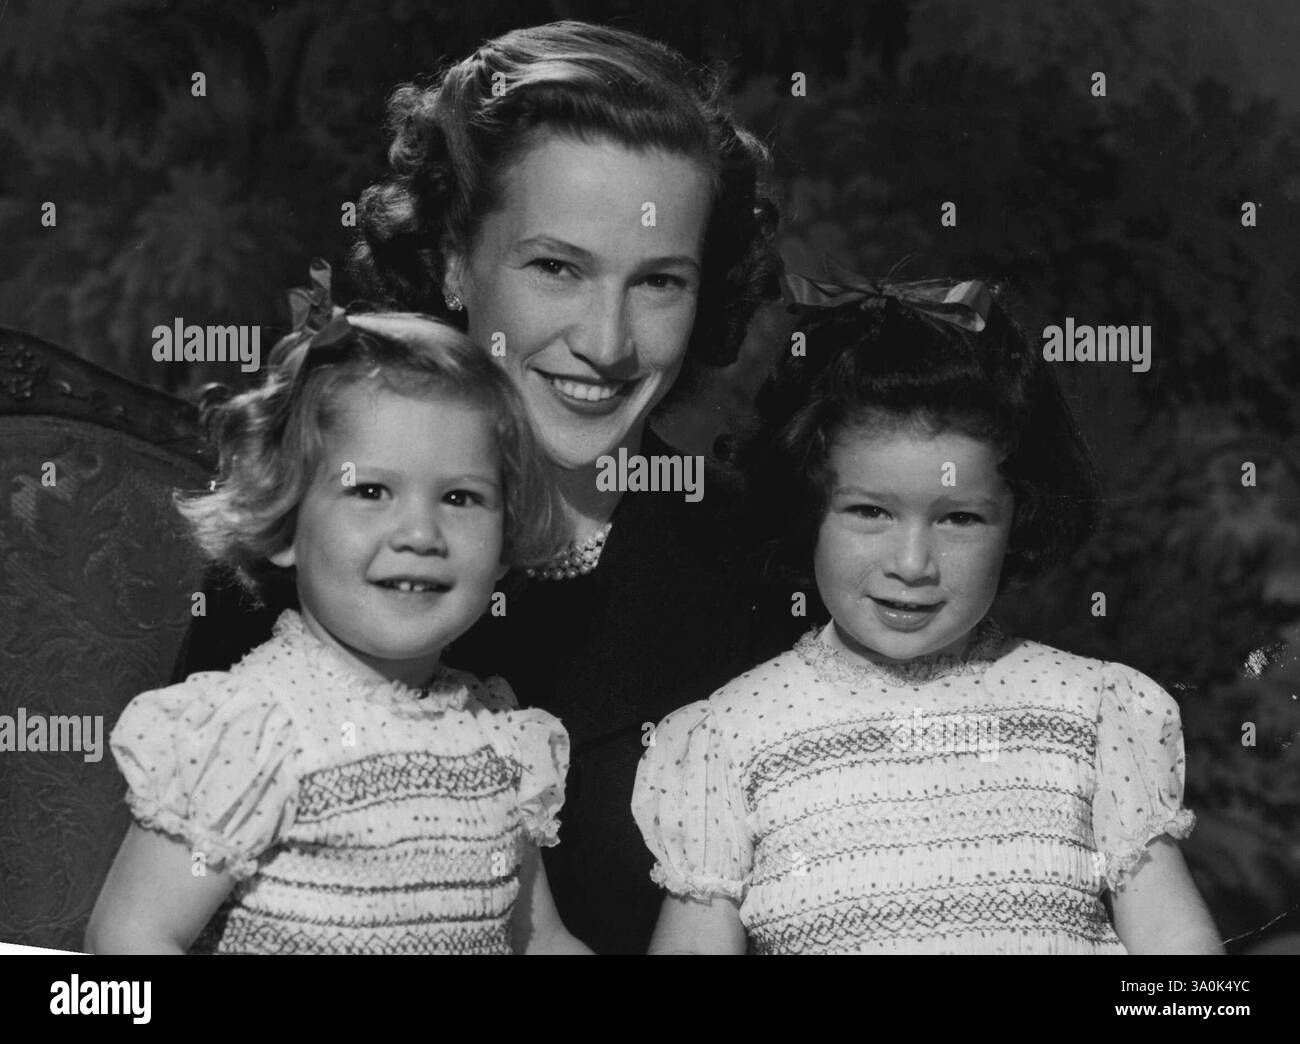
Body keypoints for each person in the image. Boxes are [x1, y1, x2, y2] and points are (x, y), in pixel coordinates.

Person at [169, 21, 798, 954]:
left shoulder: (766, 560)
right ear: (458, 260)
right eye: (556, 267)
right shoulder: (310, 536)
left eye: (659, 281)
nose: (608, 342)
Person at [632, 276, 1225, 954]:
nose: (913, 563)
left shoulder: (1093, 713)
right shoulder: (730, 739)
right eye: (871, 512)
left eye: (960, 518)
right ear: (807, 507)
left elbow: (1185, 966)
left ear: (1018, 518)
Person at [88, 277, 588, 954]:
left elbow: (540, 941)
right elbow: (133, 935)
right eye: (373, 490)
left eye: (462, 499)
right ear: (288, 519)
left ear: (506, 540)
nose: (420, 532)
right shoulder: (255, 730)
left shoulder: (498, 741)